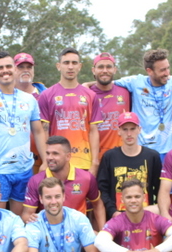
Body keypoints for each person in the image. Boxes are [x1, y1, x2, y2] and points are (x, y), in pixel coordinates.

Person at [0, 51, 46, 216]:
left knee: (19, 220)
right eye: (0, 68)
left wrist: (45, 160)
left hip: (24, 169)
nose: (5, 71)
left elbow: (39, 131)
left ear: (15, 69)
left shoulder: (29, 100)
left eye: (8, 66)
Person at [38, 47, 102, 175]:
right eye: (66, 63)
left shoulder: (91, 96)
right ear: (58, 66)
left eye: (74, 63)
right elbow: (43, 131)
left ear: (80, 66)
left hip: (83, 162)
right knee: (55, 195)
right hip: (56, 162)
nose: (70, 67)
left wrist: (95, 162)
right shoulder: (46, 95)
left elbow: (94, 131)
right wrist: (45, 161)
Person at [22, 136, 105, 230]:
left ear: (68, 156)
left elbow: (98, 205)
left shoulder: (87, 178)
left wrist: (103, 232)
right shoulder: (36, 180)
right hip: (49, 232)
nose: (49, 158)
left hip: (78, 232)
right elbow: (27, 214)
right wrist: (32, 220)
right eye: (48, 153)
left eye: (55, 154)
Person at [98, 112, 162, 219]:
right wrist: (113, 212)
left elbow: (159, 187)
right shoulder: (109, 157)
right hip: (118, 216)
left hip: (145, 215)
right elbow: (102, 189)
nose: (129, 134)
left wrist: (154, 209)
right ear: (119, 131)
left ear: (139, 129)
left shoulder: (152, 156)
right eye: (125, 129)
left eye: (132, 129)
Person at [88, 52, 131, 161]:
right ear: (93, 70)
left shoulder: (126, 92)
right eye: (101, 67)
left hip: (121, 156)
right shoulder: (87, 94)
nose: (105, 70)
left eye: (109, 67)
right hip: (94, 158)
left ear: (115, 69)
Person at [13, 52, 48, 173]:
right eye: (21, 67)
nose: (25, 70)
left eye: (29, 67)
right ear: (13, 69)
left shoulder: (46, 94)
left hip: (42, 160)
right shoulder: (3, 95)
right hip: (13, 162)